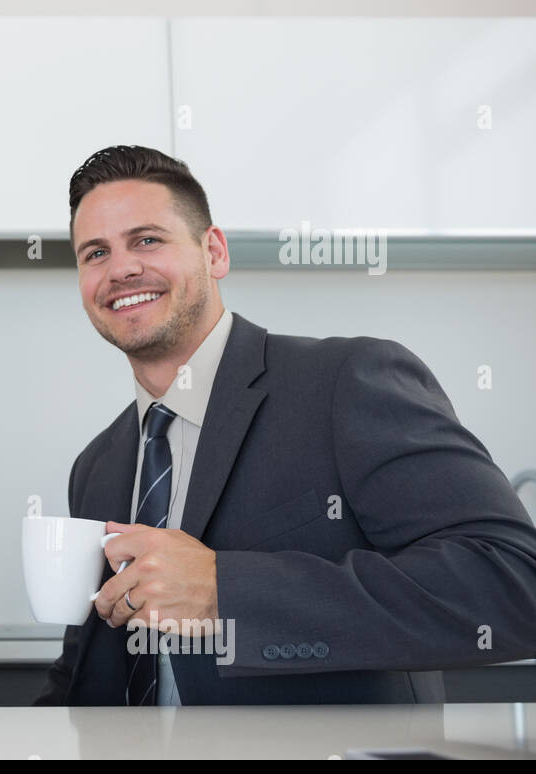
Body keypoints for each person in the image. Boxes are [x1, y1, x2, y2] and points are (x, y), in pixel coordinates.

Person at [35, 145, 536, 706]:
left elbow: (511, 583)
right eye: (95, 253)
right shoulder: (98, 465)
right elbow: (84, 669)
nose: (122, 268)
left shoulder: (345, 383)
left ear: (214, 251)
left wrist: (226, 591)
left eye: (147, 240)